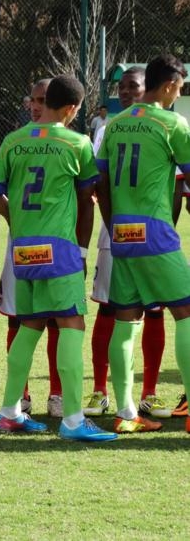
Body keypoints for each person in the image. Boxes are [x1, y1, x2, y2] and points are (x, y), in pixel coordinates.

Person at [0, 74, 116, 441]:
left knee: (29, 325)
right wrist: (81, 248)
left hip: (23, 250)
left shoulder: (13, 140)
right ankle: (73, 420)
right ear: (72, 109)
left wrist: (18, 221)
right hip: (59, 250)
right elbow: (90, 191)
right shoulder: (78, 143)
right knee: (71, 325)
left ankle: (10, 411)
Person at [96, 54, 190, 435]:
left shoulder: (114, 124)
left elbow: (100, 184)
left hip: (122, 231)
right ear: (169, 85)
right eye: (180, 89)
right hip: (156, 230)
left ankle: (126, 412)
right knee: (185, 311)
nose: (179, 96)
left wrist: (113, 223)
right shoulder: (172, 122)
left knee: (126, 319)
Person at [85, 66, 171, 420]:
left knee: (154, 310)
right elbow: (99, 184)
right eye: (120, 87)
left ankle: (149, 392)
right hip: (114, 235)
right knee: (108, 308)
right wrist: (111, 224)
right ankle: (100, 391)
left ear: (146, 87)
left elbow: (178, 185)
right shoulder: (107, 129)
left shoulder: (166, 126)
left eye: (131, 86)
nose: (124, 92)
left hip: (155, 235)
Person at [0, 78, 65, 417]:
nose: (37, 106)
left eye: (43, 100)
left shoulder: (69, 143)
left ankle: (57, 394)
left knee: (55, 320)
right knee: (17, 320)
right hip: (20, 243)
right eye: (33, 99)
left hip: (52, 245)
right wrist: (16, 220)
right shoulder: (16, 142)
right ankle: (20, 395)